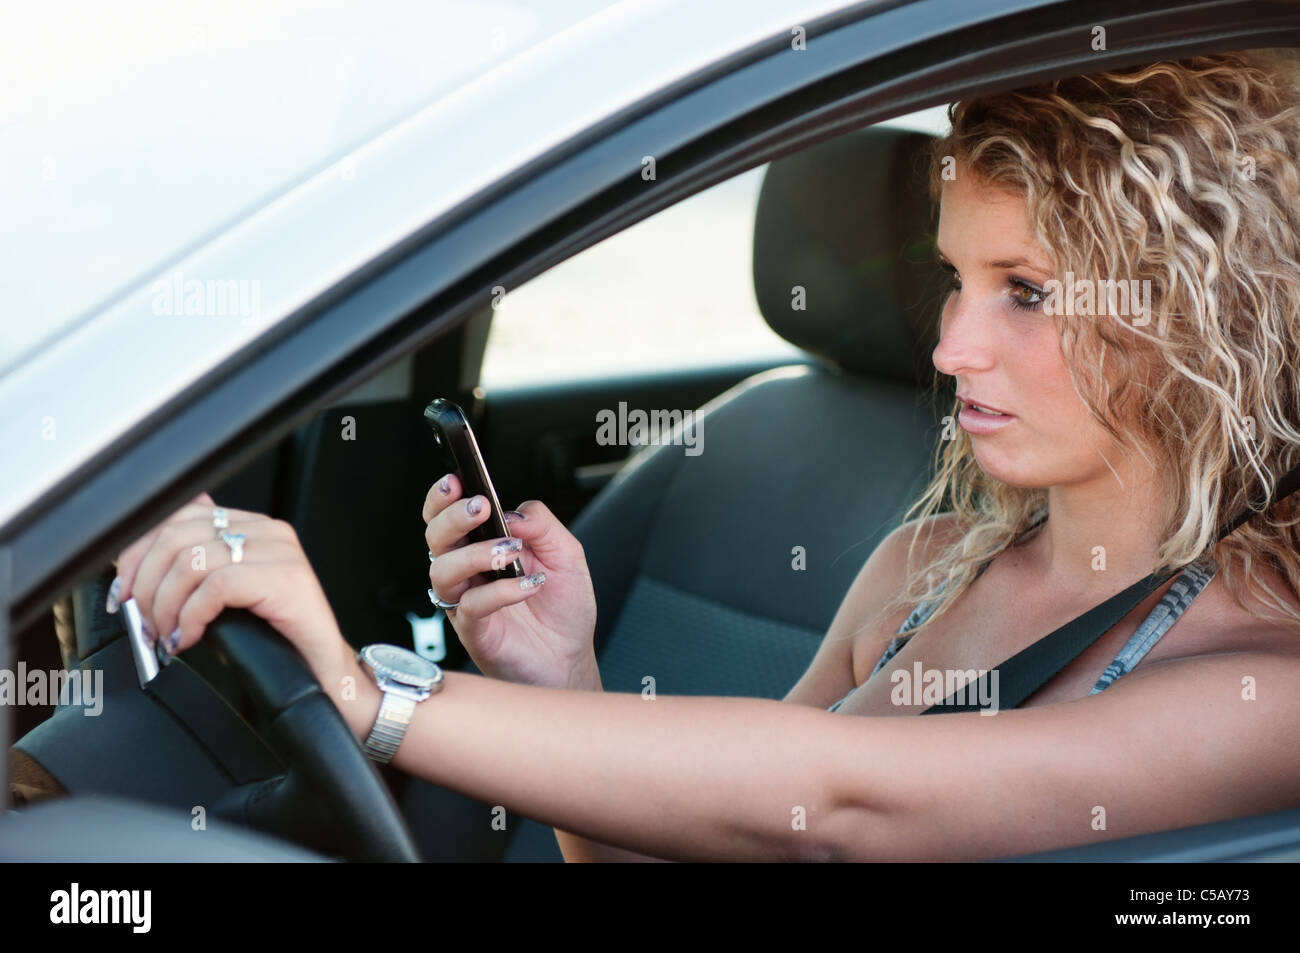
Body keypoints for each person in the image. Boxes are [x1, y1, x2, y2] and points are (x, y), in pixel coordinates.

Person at [107, 51, 1300, 861]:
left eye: (1024, 292)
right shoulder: (920, 566)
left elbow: (838, 802)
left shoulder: (1264, 680)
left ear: (1197, 315)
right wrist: (561, 678)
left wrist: (370, 692)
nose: (946, 346)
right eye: (951, 279)